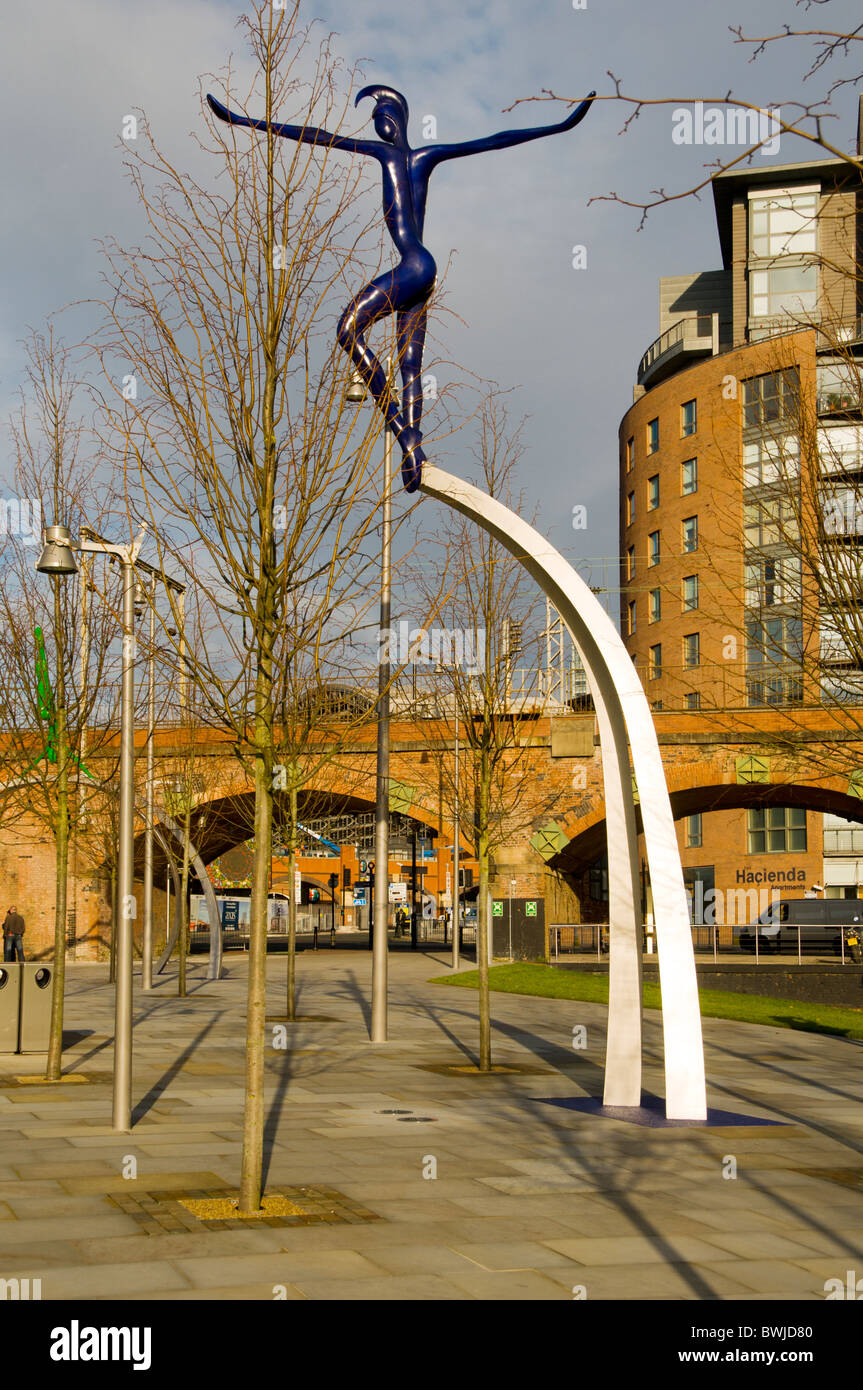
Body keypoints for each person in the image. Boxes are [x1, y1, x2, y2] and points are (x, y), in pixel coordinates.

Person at [207, 85, 595, 492]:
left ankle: (399, 428)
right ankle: (414, 453)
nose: (378, 130)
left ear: (397, 121)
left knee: (347, 329)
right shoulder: (423, 157)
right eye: (375, 124)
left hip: (414, 264)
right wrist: (247, 122)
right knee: (410, 364)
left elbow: (320, 135)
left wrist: (244, 121)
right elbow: (489, 142)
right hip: (422, 274)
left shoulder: (394, 156)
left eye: (383, 121)